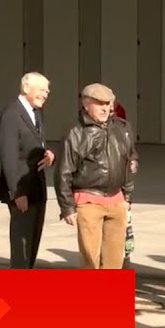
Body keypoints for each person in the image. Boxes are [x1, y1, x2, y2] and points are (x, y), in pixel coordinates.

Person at [55, 83, 137, 269]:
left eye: (108, 103)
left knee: (114, 262)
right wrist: (67, 208)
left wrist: (127, 197)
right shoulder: (75, 133)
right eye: (99, 103)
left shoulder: (122, 128)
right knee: (90, 261)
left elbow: (130, 161)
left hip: (117, 202)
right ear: (86, 105)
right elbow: (63, 172)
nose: (105, 108)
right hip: (89, 203)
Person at [0, 72, 56, 268]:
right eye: (42, 90)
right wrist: (17, 193)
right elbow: (8, 157)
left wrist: (49, 155)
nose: (46, 94)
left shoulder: (35, 112)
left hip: (37, 189)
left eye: (47, 91)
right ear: (26, 88)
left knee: (32, 245)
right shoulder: (12, 114)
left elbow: (36, 144)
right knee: (22, 247)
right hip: (22, 192)